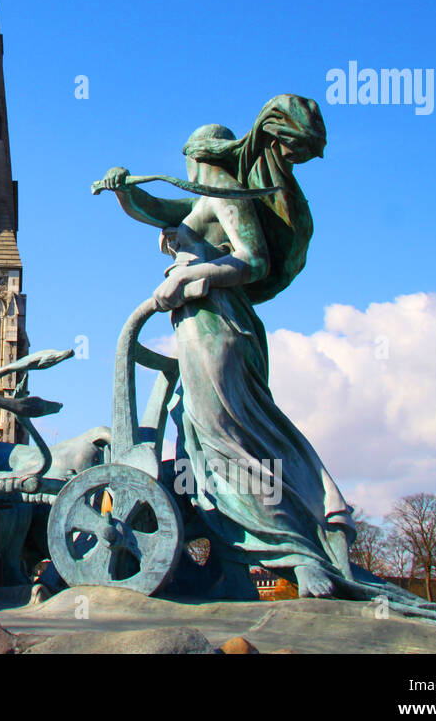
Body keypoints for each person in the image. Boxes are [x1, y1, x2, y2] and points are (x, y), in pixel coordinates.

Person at [95, 94, 354, 597]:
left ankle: (300, 552)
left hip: (218, 327)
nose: (187, 167)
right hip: (200, 327)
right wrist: (123, 191)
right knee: (206, 440)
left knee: (231, 444)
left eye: (190, 159)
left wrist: (192, 276)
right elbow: (158, 207)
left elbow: (252, 261)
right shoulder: (206, 195)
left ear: (201, 158)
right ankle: (244, 563)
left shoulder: (222, 190)